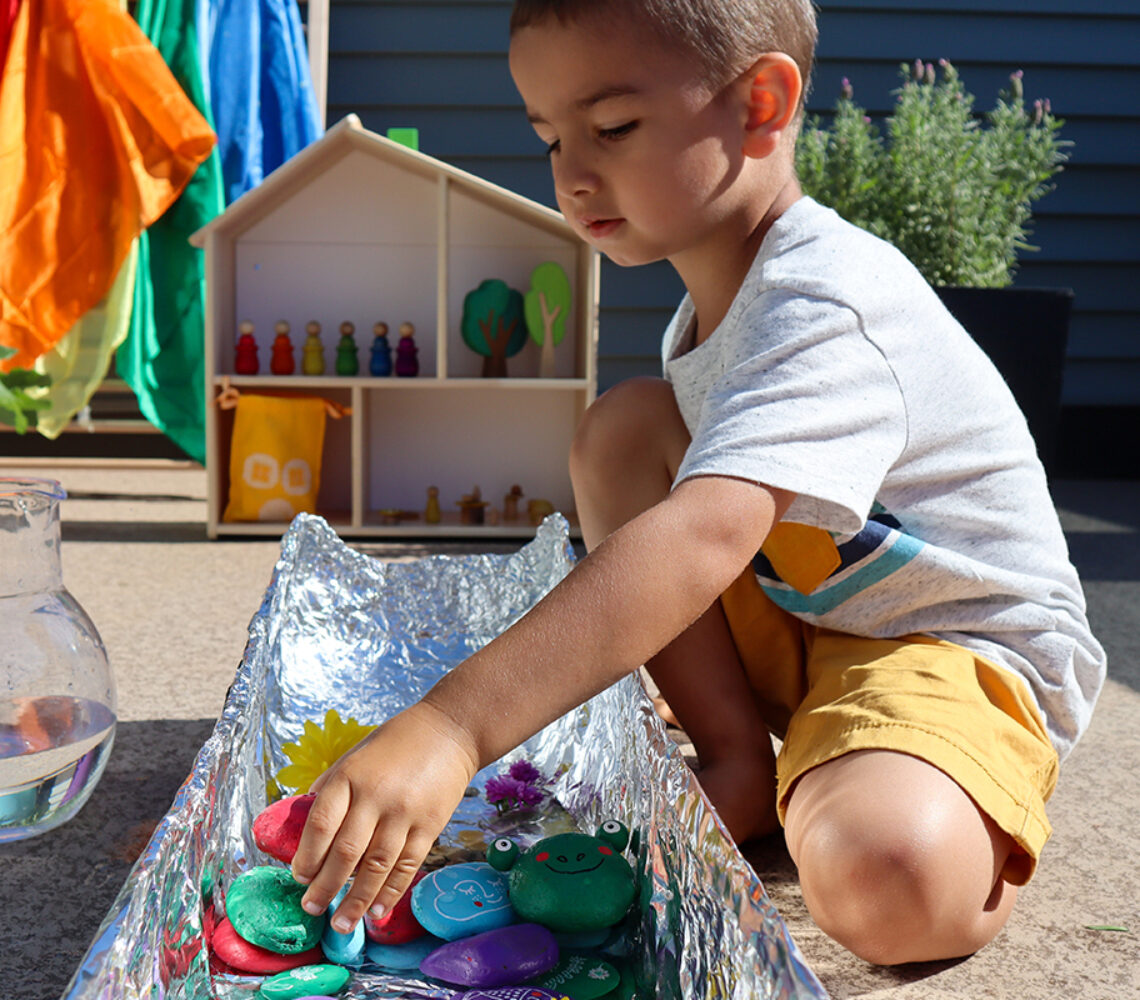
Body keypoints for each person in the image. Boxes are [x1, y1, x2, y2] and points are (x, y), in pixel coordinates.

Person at [288, 0, 1106, 966]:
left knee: (891, 877)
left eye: (614, 128)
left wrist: (454, 724)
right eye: (550, 138)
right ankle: (738, 762)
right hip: (817, 616)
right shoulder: (712, 312)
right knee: (625, 430)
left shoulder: (827, 300)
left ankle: (937, 792)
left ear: (762, 102)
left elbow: (703, 539)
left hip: (951, 644)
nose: (572, 174)